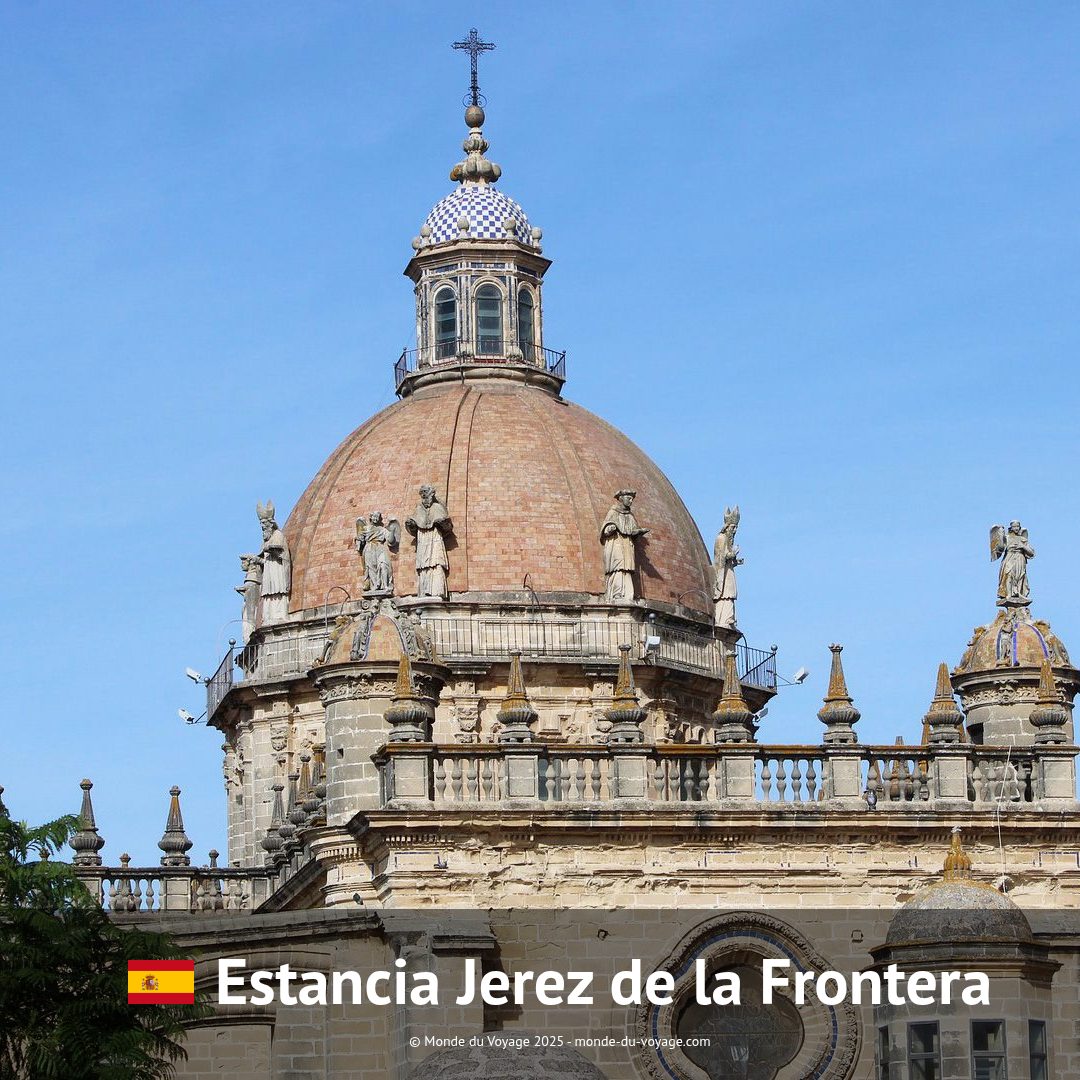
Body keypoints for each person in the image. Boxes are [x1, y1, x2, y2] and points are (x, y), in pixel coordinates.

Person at [405, 485, 453, 599]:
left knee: (436, 562)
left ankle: (437, 590)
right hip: (423, 539)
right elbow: (414, 524)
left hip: (435, 539)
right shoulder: (419, 509)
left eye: (426, 493)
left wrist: (441, 522)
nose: (424, 496)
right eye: (422, 493)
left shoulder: (437, 507)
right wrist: (411, 524)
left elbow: (447, 525)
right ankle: (424, 590)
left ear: (431, 494)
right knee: (424, 565)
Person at [600, 489, 647, 602]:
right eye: (628, 498)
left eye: (632, 499)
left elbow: (632, 530)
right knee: (618, 566)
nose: (631, 501)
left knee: (627, 567)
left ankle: (626, 592)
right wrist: (610, 528)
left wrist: (639, 531)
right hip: (616, 543)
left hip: (627, 545)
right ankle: (617, 592)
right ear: (621, 498)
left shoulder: (630, 516)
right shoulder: (613, 512)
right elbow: (605, 530)